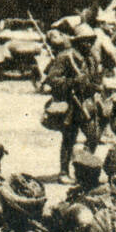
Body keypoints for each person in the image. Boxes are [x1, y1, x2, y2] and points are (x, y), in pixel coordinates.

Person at [46, 24, 104, 182]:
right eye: (85, 41)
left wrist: (96, 86)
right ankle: (63, 173)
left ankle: (84, 168)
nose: (89, 44)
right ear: (77, 41)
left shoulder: (91, 59)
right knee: (69, 138)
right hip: (71, 104)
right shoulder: (66, 57)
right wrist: (72, 82)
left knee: (93, 136)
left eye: (91, 41)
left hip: (86, 104)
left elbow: (94, 79)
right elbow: (52, 79)